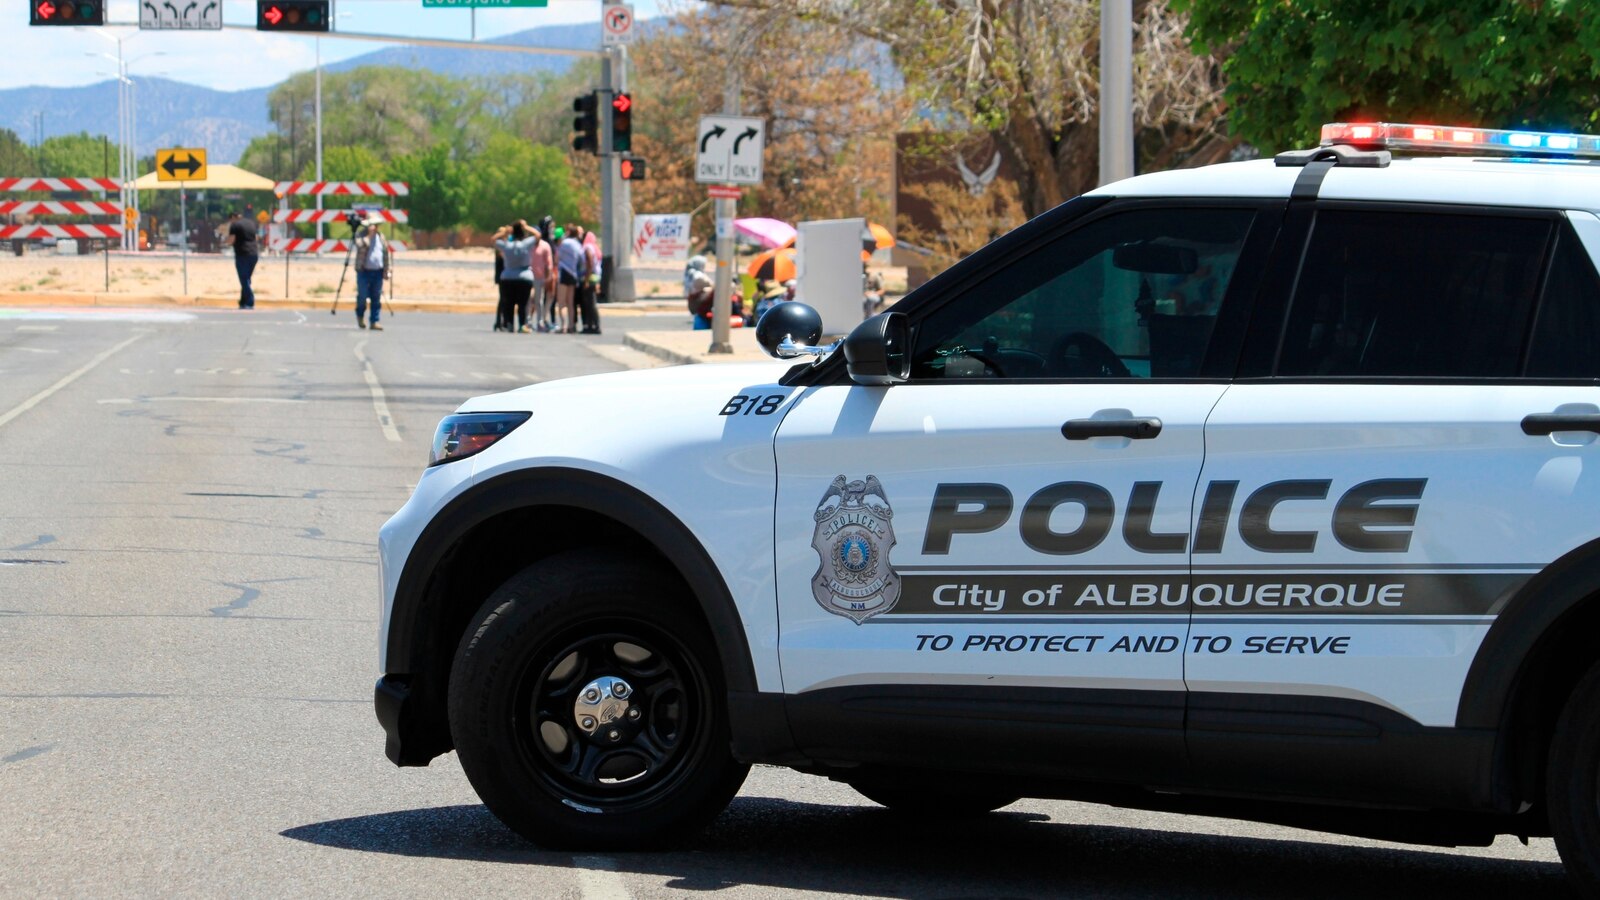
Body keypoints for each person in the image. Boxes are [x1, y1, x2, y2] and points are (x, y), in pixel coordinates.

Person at [494, 220, 540, 334]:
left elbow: (493, 240)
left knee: (509, 303)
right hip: (524, 277)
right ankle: (522, 324)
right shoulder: (526, 244)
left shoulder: (507, 245)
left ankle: (509, 323)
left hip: (508, 277)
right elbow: (538, 235)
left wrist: (505, 232)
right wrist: (527, 227)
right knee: (523, 304)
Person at [352, 213, 392, 331]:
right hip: (364, 271)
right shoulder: (361, 235)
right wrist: (369, 236)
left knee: (376, 297)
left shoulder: (381, 237)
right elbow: (360, 245)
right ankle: (360, 315)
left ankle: (374, 321)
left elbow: (385, 254)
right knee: (362, 296)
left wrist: (386, 269)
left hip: (377, 271)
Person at [223, 211, 259, 310]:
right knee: (246, 279)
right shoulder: (251, 223)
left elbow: (231, 240)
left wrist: (225, 242)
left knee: (244, 279)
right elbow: (256, 238)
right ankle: (243, 301)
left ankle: (250, 301)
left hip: (243, 254)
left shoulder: (235, 225)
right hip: (254, 254)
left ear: (233, 217)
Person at [555, 224, 586, 334]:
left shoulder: (564, 243)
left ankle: (563, 325)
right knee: (570, 302)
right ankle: (571, 325)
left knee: (561, 302)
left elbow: (557, 258)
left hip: (564, 272)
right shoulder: (578, 245)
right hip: (573, 274)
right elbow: (582, 261)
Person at [529, 223, 555, 333]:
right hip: (529, 277)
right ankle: (528, 321)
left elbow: (549, 263)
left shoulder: (545, 246)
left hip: (540, 277)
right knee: (528, 300)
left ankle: (540, 321)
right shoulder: (528, 245)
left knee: (539, 300)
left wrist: (548, 278)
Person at [577, 226, 602, 334]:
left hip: (590, 277)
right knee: (591, 303)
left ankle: (594, 326)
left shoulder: (587, 248)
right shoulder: (594, 247)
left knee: (590, 303)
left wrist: (586, 280)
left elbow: (590, 263)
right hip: (595, 277)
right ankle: (593, 325)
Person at [685, 255, 714, 330]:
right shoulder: (697, 274)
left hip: (695, 299)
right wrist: (710, 286)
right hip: (699, 300)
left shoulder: (690, 273)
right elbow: (699, 281)